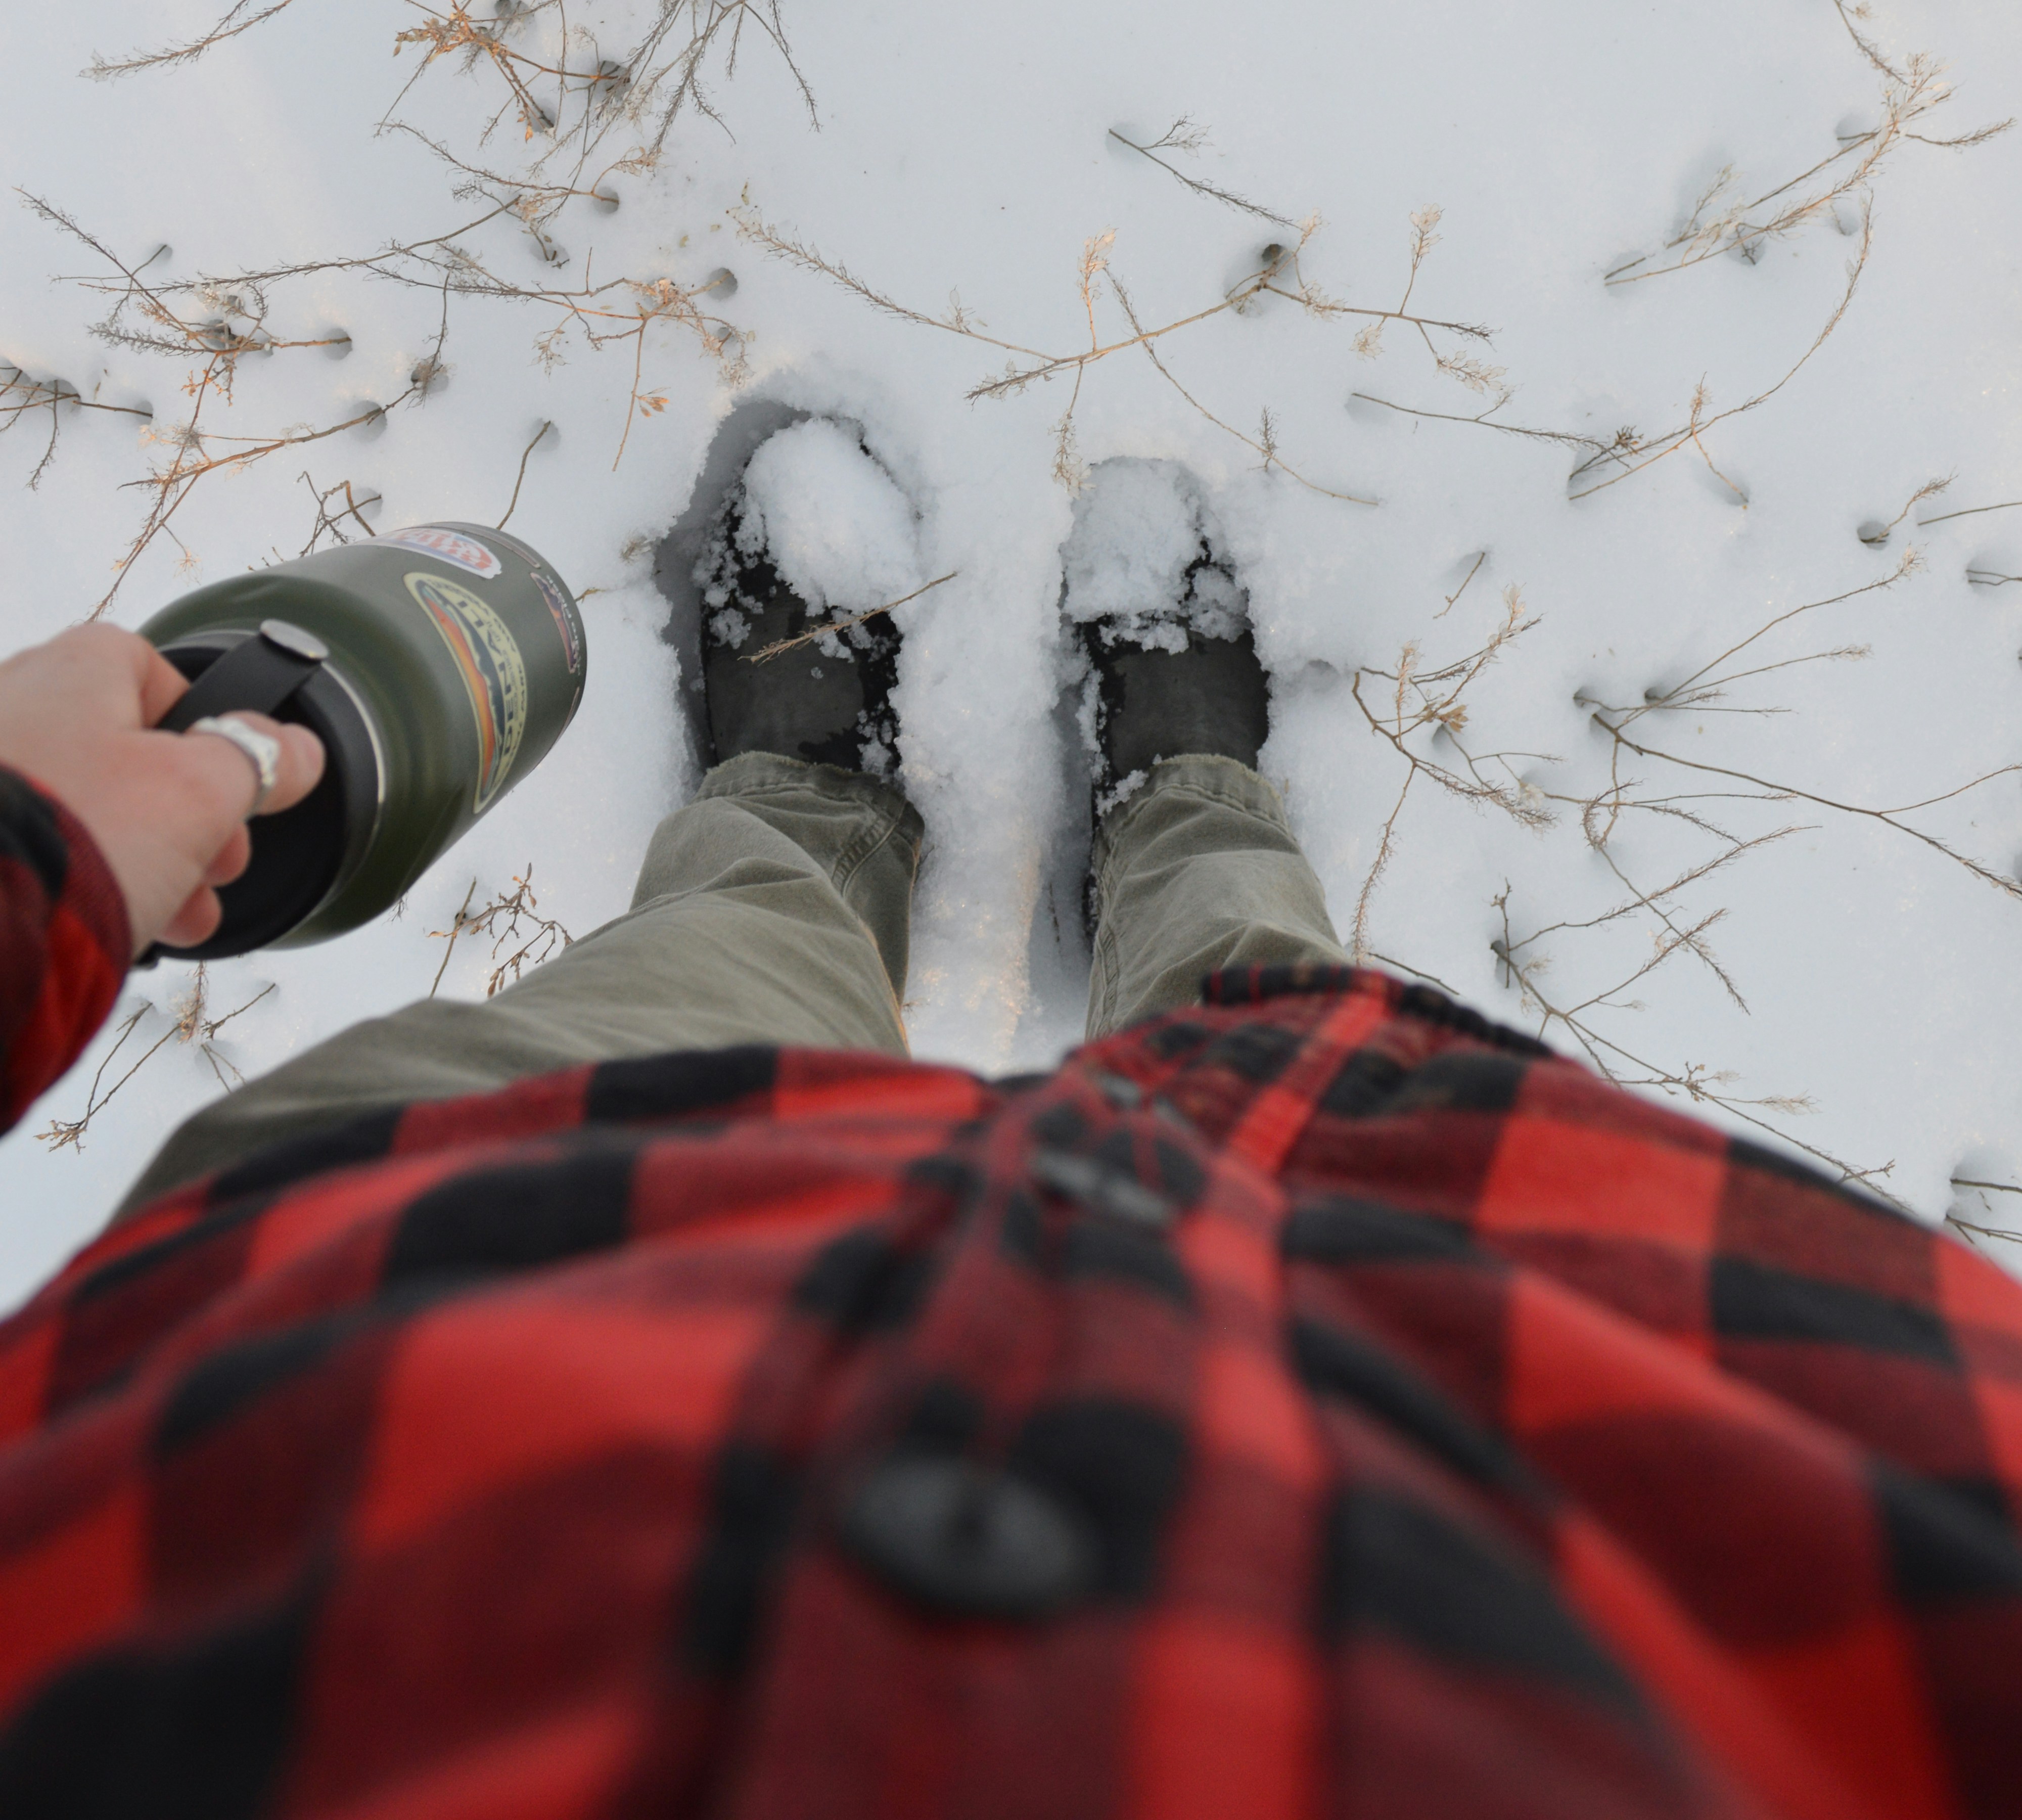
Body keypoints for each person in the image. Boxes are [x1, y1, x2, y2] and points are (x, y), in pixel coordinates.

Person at [1, 437, 2019, 1820]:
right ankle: (1177, 825)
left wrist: (29, 858)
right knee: (1273, 1024)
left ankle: (806, 844)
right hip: (1625, 1443)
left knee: (679, 1012)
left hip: (369, 1350)